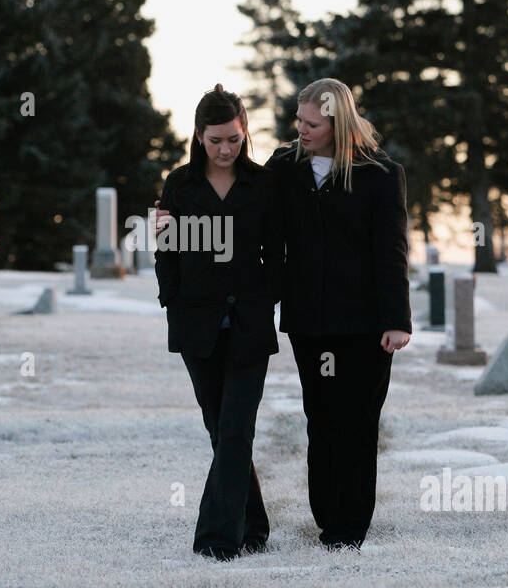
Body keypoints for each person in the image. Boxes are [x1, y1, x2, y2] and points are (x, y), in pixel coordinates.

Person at [264, 78, 412, 551]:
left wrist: (397, 319)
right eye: (299, 121)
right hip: (310, 321)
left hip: (367, 326)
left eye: (311, 123)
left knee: (358, 420)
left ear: (337, 122)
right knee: (321, 416)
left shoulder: (381, 174)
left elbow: (391, 251)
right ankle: (326, 516)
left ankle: (349, 527)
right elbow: (246, 207)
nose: (301, 130)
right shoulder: (284, 167)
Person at [154, 84, 283, 561]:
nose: (226, 149)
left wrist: (265, 296)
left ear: (245, 131)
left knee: (236, 430)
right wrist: (174, 301)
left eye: (233, 138)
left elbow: (277, 252)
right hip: (196, 327)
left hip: (249, 324)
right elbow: (166, 251)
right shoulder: (179, 184)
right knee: (218, 428)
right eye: (216, 141)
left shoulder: (263, 184)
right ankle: (254, 525)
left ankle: (216, 539)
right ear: (198, 137)